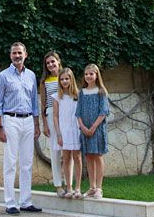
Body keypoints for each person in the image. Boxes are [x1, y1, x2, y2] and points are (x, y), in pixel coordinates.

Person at [0, 41, 42, 214]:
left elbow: (35, 103)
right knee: (10, 162)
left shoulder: (31, 76)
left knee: (27, 162)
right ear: (10, 55)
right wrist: (0, 127)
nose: (17, 56)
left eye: (20, 53)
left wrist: (37, 124)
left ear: (25, 55)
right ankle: (10, 203)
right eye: (14, 53)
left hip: (28, 120)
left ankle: (26, 201)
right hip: (10, 120)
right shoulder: (3, 76)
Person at [77, 63, 110, 200]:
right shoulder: (82, 93)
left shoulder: (101, 91)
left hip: (97, 129)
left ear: (96, 75)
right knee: (89, 157)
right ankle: (92, 187)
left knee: (97, 156)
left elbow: (103, 112)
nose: (88, 76)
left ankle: (99, 188)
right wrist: (83, 127)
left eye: (91, 74)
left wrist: (93, 128)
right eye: (86, 74)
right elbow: (78, 112)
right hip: (85, 130)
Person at [52, 67, 82, 199]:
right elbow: (55, 116)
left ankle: (78, 188)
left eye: (67, 78)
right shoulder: (57, 97)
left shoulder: (78, 95)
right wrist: (58, 134)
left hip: (76, 130)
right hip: (63, 131)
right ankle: (68, 187)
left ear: (71, 79)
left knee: (77, 158)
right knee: (66, 158)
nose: (64, 81)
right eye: (62, 79)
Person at [39, 51, 63, 193]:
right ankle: (58, 185)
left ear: (58, 61)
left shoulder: (66, 76)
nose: (51, 65)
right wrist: (45, 124)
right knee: (55, 151)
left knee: (68, 150)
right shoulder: (44, 82)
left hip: (66, 116)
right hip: (50, 115)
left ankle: (69, 184)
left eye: (53, 61)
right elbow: (43, 104)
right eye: (48, 63)